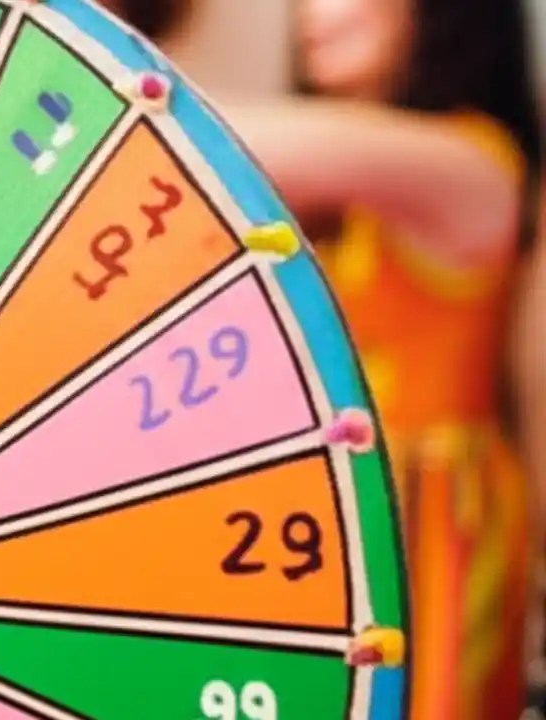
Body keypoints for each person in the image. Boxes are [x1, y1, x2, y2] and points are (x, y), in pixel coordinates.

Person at [218, 1, 542, 718]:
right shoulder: (345, 206)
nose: (313, 13)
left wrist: (101, 79)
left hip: (430, 525)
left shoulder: (476, 161)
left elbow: (230, 147)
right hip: (338, 514)